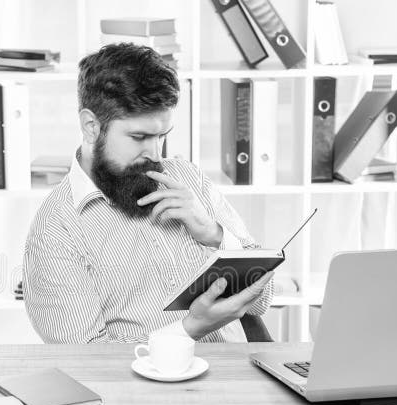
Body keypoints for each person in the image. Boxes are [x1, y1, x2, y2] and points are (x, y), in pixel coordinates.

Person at [23, 43, 273, 343]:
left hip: (239, 377)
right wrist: (190, 329)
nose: (155, 154)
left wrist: (213, 233)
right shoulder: (56, 231)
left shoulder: (186, 177)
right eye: (139, 137)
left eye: (162, 137)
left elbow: (262, 300)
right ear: (91, 126)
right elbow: (87, 363)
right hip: (150, 390)